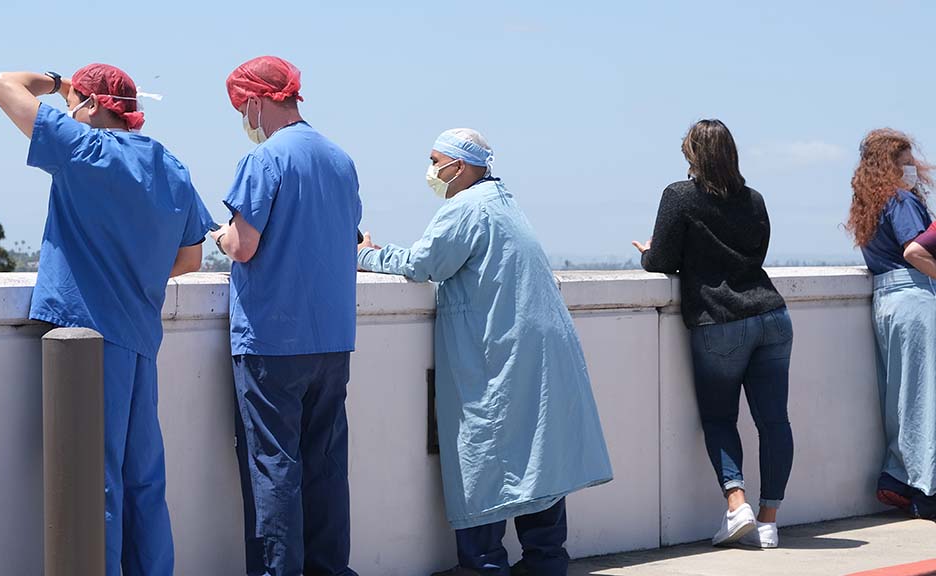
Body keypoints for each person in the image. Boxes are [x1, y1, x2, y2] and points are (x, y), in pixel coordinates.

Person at [0, 63, 215, 575]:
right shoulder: (169, 165)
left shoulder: (81, 148)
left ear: (91, 107)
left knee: (96, 480)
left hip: (85, 339)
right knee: (144, 481)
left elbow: (2, 84)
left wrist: (56, 81)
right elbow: (191, 259)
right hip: (139, 336)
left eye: (76, 102)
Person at [357, 128, 613, 576]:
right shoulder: (504, 203)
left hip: (499, 355)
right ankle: (546, 562)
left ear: (461, 165)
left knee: (482, 454)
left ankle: (482, 565)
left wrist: (368, 254)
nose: (432, 171)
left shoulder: (465, 208)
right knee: (539, 460)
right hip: (536, 347)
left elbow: (422, 264)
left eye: (436, 160)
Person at [210, 56, 362, 576]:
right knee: (325, 466)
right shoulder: (340, 159)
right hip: (332, 337)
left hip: (273, 339)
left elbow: (244, 245)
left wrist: (220, 236)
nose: (241, 116)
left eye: (240, 106)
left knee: (273, 467)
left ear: (255, 100)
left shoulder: (265, 160)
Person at [634, 119, 793, 549]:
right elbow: (756, 254)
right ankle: (769, 521)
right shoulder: (754, 200)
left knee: (720, 418)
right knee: (774, 420)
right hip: (772, 315)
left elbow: (664, 258)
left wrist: (648, 254)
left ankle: (736, 504)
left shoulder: (679, 196)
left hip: (719, 321)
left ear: (693, 156)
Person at [846, 128, 936, 519]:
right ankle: (926, 489)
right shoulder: (901, 200)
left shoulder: (872, 204)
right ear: (892, 165)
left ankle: (898, 476)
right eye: (905, 161)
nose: (912, 167)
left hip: (886, 300)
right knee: (925, 395)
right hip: (915, 298)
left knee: (900, 396)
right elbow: (915, 250)